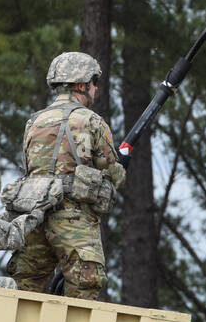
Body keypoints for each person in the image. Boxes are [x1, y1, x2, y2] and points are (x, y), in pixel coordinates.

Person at [7, 51, 125, 300]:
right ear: (82, 84)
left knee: (25, 285)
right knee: (85, 283)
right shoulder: (92, 121)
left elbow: (30, 167)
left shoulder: (34, 122)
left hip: (35, 216)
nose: (96, 89)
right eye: (95, 83)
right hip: (73, 218)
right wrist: (120, 166)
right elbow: (112, 174)